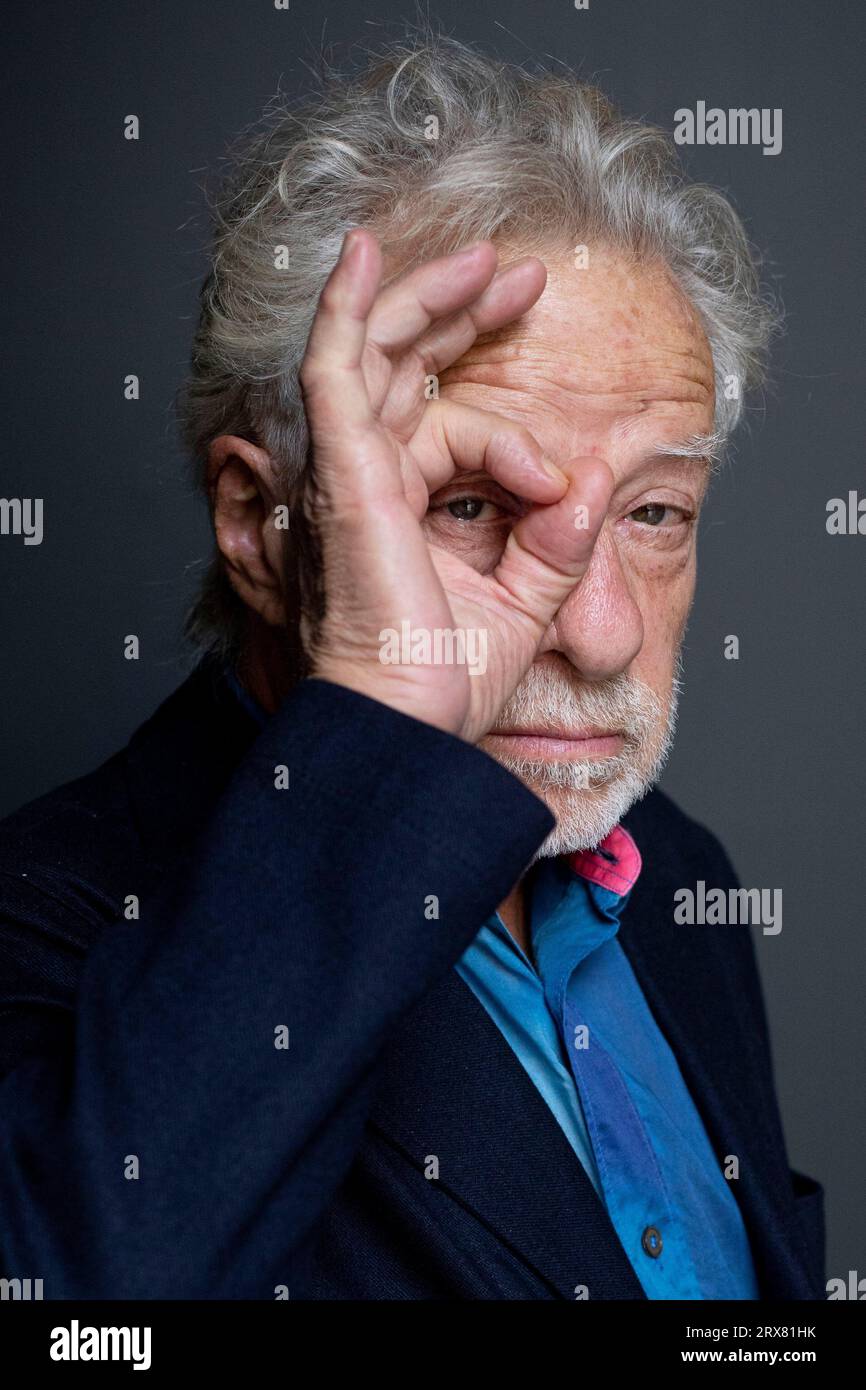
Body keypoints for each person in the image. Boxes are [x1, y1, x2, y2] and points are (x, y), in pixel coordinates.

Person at [0, 35, 824, 1300]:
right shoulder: (51, 922)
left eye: (653, 513)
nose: (598, 632)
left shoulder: (680, 879)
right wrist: (387, 695)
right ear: (263, 534)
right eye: (470, 506)